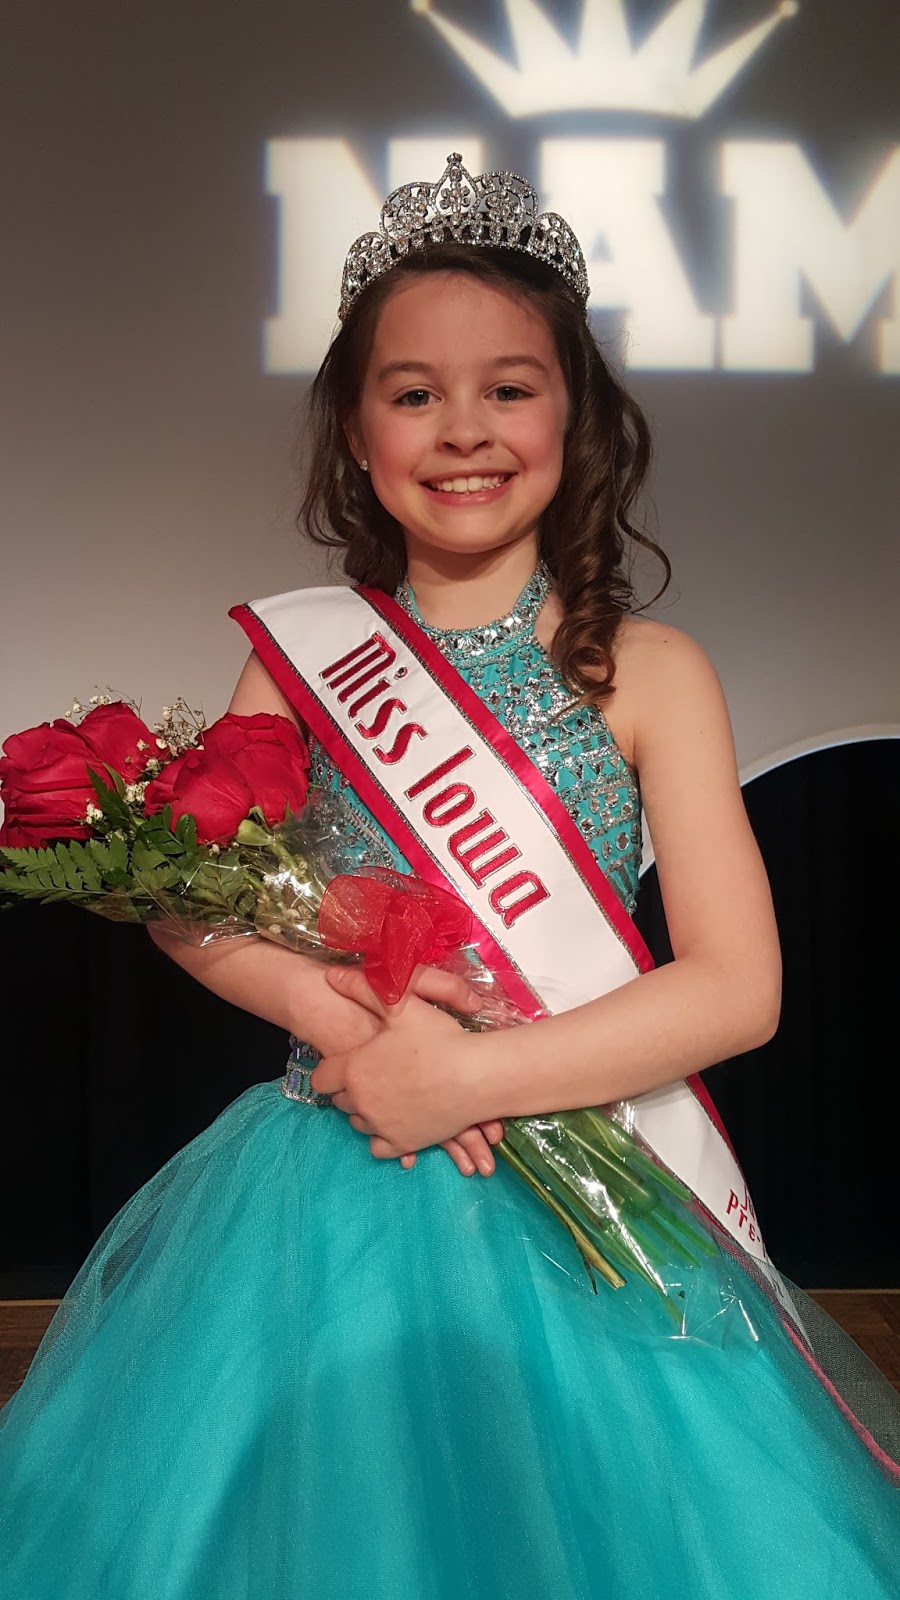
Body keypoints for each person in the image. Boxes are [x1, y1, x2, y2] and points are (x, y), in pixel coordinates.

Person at [0, 153, 898, 1599]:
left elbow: (739, 990)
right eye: (413, 393)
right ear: (356, 434)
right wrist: (365, 1032)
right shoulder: (294, 658)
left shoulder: (652, 673)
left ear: (578, 418)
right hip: (328, 1169)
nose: (462, 428)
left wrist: (473, 1076)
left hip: (579, 1184)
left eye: (510, 387)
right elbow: (190, 898)